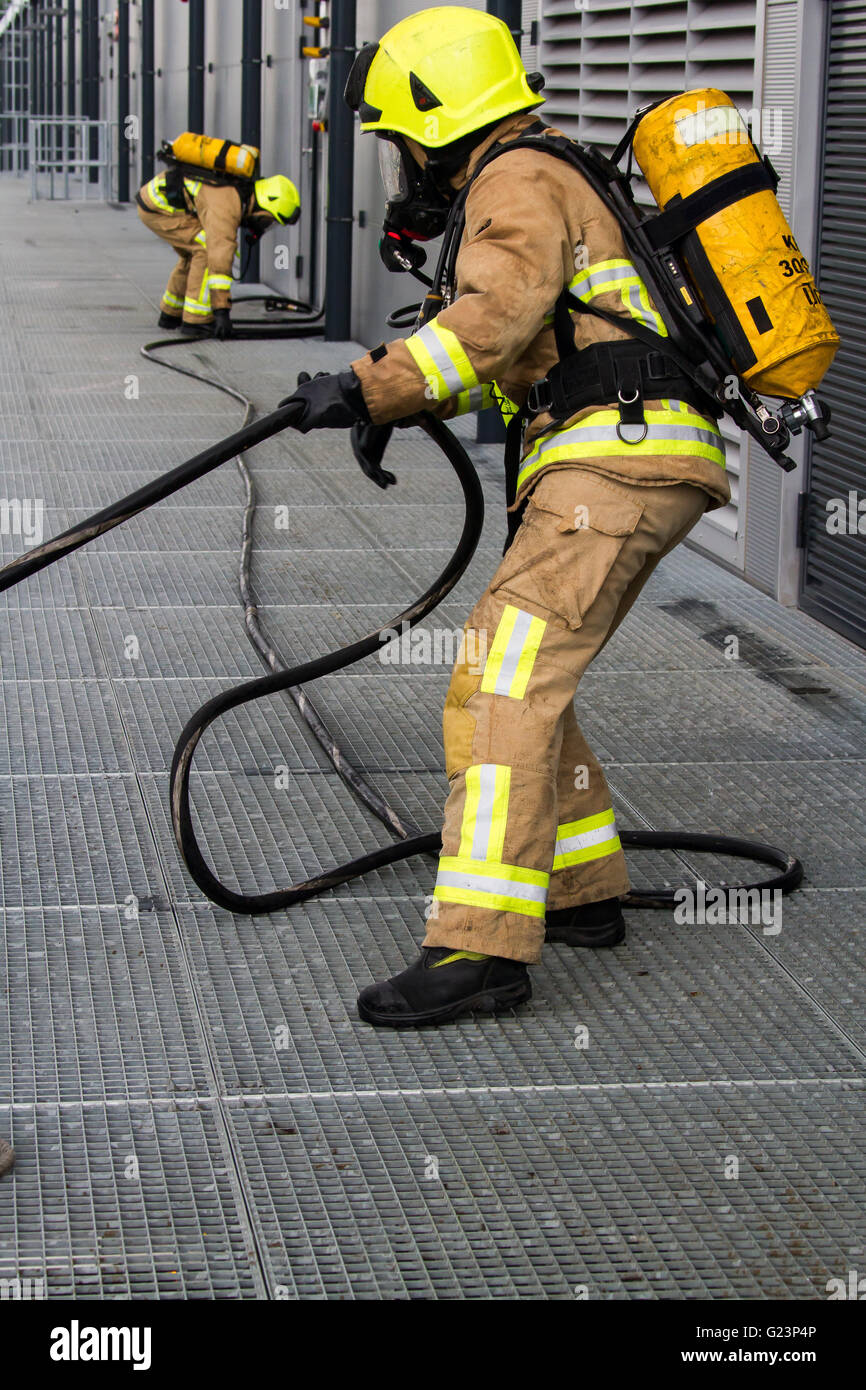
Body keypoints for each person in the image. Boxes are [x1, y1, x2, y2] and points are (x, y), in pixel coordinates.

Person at [281, 6, 730, 1028]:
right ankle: (577, 890)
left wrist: (363, 386)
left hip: (611, 466)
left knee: (498, 684)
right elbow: (526, 344)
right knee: (529, 677)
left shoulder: (515, 178)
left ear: (436, 119)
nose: (399, 165)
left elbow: (491, 320)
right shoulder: (551, 167)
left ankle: (476, 949)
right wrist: (393, 396)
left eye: (398, 141)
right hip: (631, 458)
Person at [137, 170, 300, 338]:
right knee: (205, 248)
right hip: (158, 207)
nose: (263, 227)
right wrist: (221, 311)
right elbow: (219, 257)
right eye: (268, 221)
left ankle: (171, 313)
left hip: (156, 200)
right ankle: (196, 320)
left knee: (193, 252)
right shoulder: (227, 204)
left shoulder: (236, 194)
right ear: (265, 202)